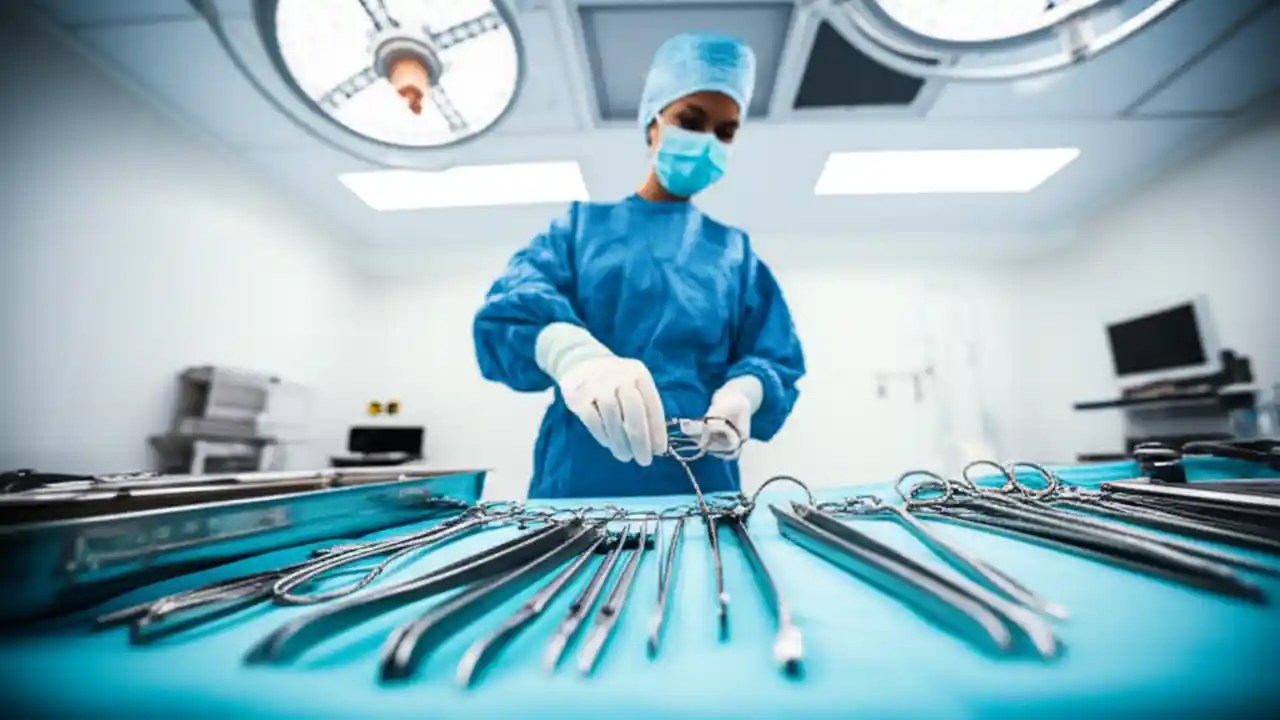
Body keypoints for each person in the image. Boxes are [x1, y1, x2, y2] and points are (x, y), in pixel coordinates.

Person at [473, 32, 805, 498]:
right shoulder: (580, 229)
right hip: (580, 483)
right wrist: (574, 356)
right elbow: (509, 314)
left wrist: (742, 395)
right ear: (653, 123)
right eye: (691, 120)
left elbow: (774, 357)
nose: (709, 141)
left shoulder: (735, 253)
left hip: (701, 486)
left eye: (725, 131)